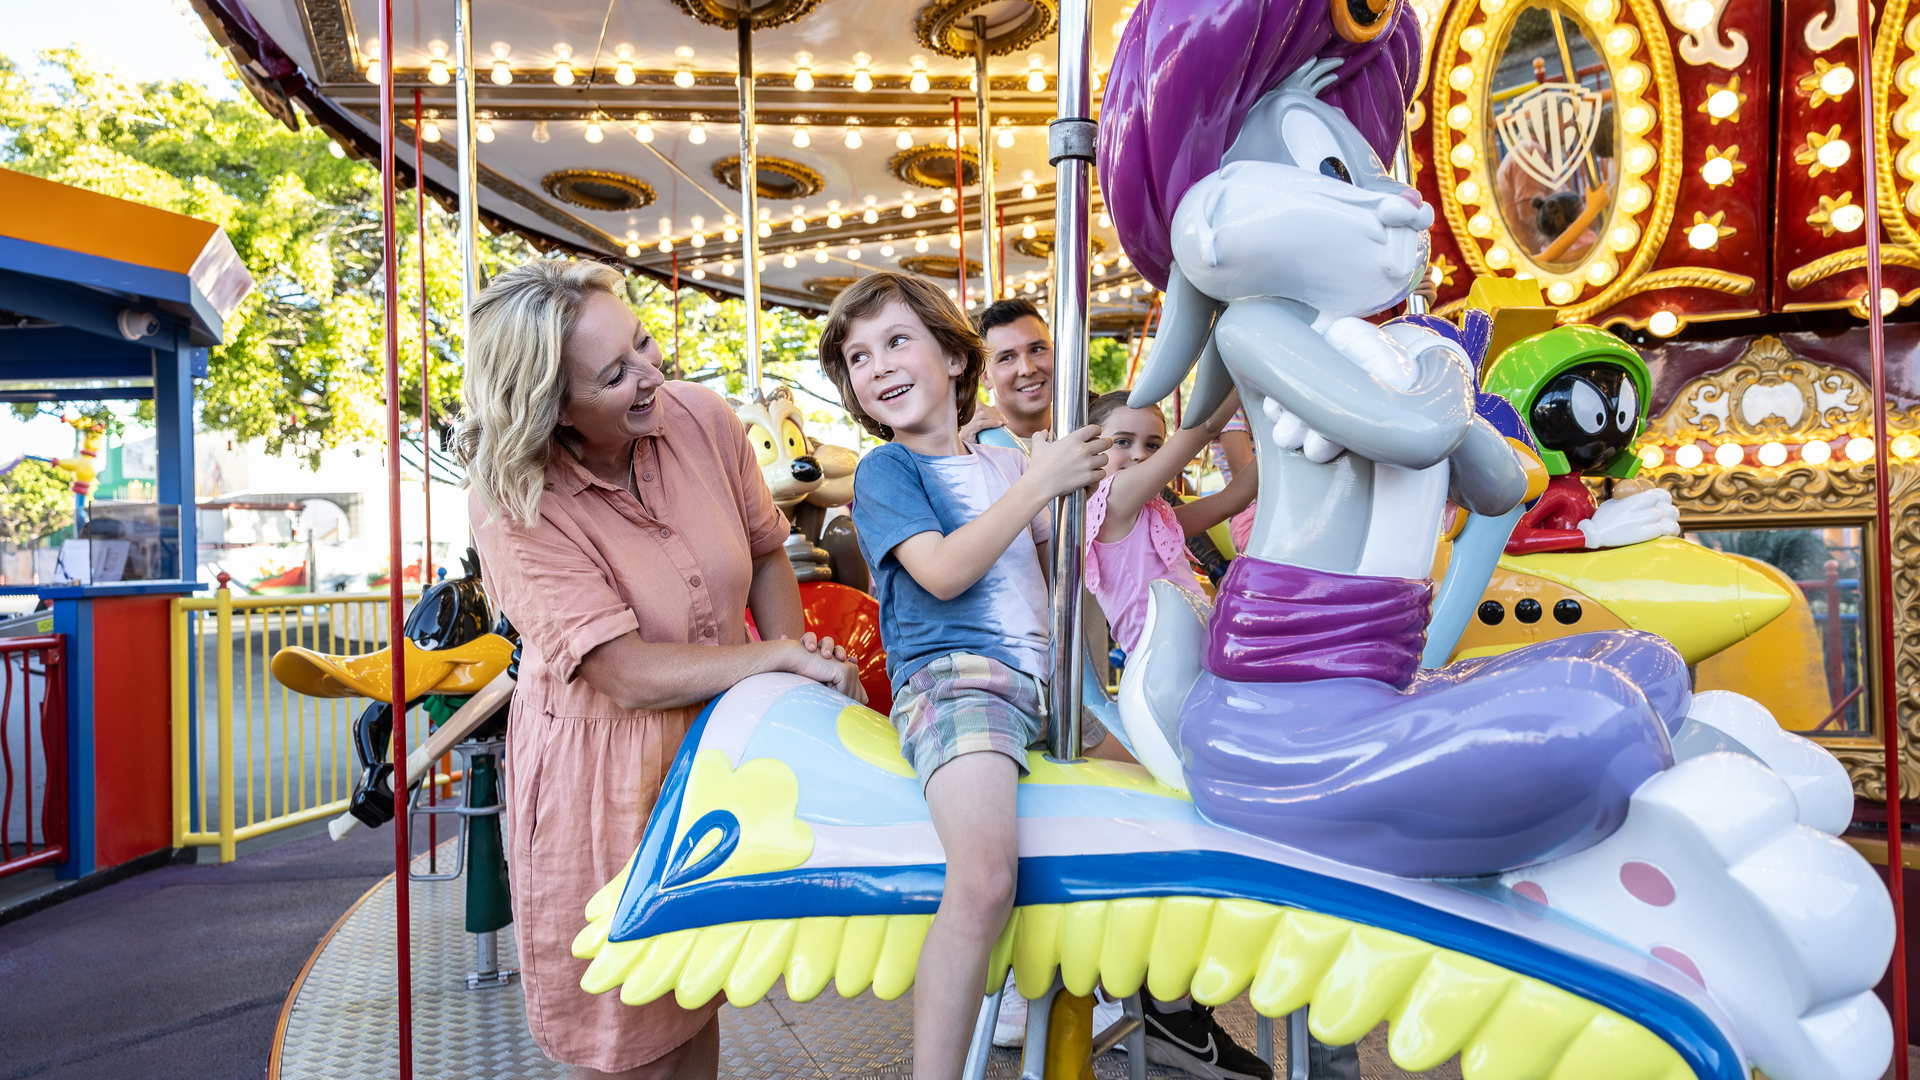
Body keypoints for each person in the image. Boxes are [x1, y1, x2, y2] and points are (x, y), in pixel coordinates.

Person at [456, 260, 863, 1080]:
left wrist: (795, 694)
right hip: (601, 771)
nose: (653, 376)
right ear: (553, 410)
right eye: (615, 376)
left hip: (711, 749)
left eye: (644, 344)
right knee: (626, 1035)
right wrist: (775, 659)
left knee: (693, 1001)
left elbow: (766, 550)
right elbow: (625, 673)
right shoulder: (515, 500)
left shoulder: (700, 420)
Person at [817, 271, 1132, 1080]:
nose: (877, 365)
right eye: (858, 357)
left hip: (1042, 687)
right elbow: (948, 572)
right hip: (957, 683)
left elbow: (1057, 587)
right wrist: (1040, 482)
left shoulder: (998, 469)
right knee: (987, 876)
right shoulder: (890, 473)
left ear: (955, 359)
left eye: (895, 342)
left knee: (1160, 802)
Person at [1088, 390, 1257, 653]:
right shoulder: (1112, 502)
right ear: (1092, 447)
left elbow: (1230, 501)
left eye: (1153, 445)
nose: (1140, 455)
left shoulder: (1151, 517)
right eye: (1123, 442)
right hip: (1163, 656)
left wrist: (1282, 448)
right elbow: (1206, 428)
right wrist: (1241, 379)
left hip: (1190, 647)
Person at [961, 297, 1055, 444]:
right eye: (1007, 358)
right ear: (985, 377)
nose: (1027, 369)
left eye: (1036, 350)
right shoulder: (967, 446)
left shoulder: (1091, 425)